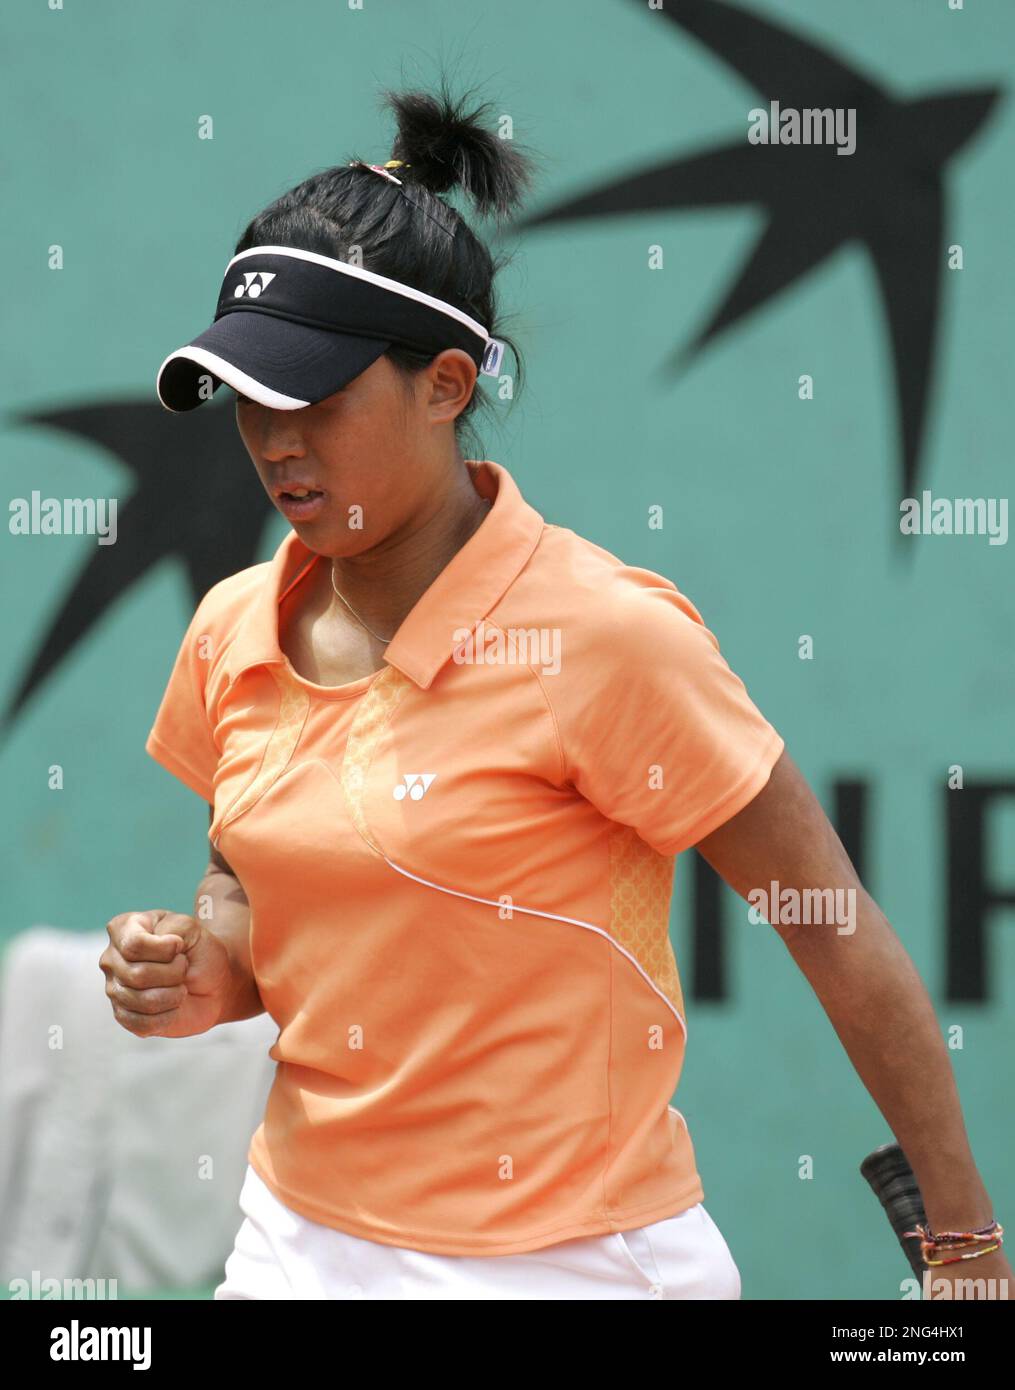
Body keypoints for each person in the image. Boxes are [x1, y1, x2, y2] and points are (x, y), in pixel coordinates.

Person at [100, 83, 1008, 1301]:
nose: (275, 439)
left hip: (573, 1266)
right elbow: (250, 896)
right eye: (250, 398)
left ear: (447, 384)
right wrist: (200, 970)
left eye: (315, 396)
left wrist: (965, 1249)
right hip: (293, 1248)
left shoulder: (606, 635)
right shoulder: (233, 627)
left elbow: (829, 922)